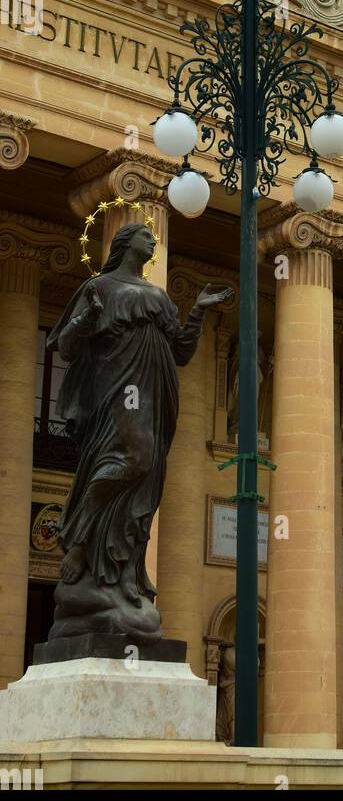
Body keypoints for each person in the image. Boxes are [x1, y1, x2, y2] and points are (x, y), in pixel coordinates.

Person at [47, 222, 231, 641]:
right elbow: (67, 347)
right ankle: (78, 542)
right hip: (119, 388)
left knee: (146, 481)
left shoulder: (160, 297)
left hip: (155, 391)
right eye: (144, 236)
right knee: (135, 458)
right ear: (124, 243)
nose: (153, 240)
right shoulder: (100, 288)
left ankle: (120, 574)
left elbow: (181, 351)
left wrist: (199, 309)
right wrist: (90, 315)